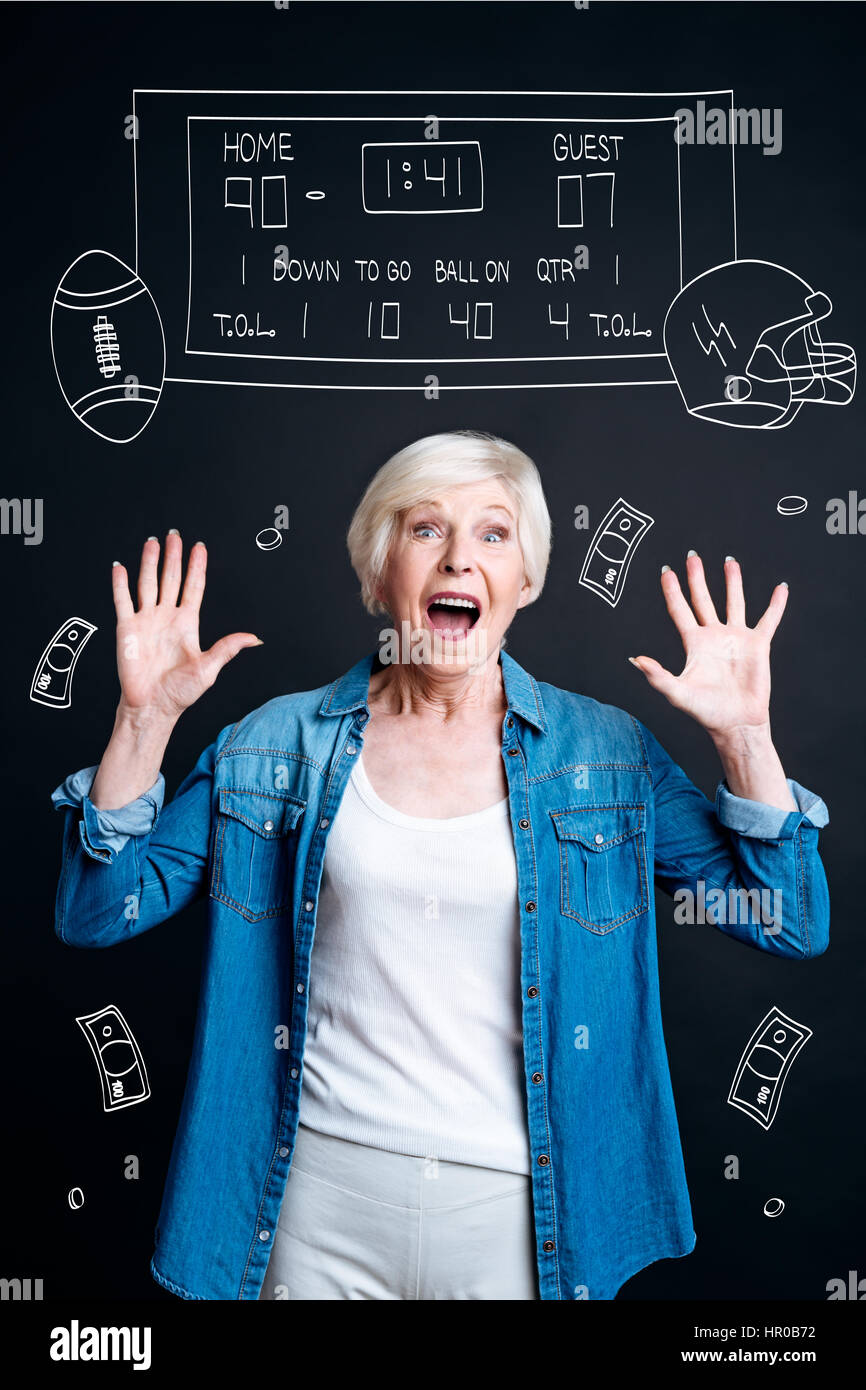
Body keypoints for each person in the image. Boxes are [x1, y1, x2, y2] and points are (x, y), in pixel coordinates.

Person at [51, 429, 829, 1301]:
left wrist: (744, 740)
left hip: (519, 1219)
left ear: (525, 581)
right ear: (381, 572)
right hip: (312, 1208)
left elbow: (788, 921)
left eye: (494, 536)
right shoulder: (279, 742)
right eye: (426, 529)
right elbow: (93, 912)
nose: (460, 558)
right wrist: (143, 722)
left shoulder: (606, 756)